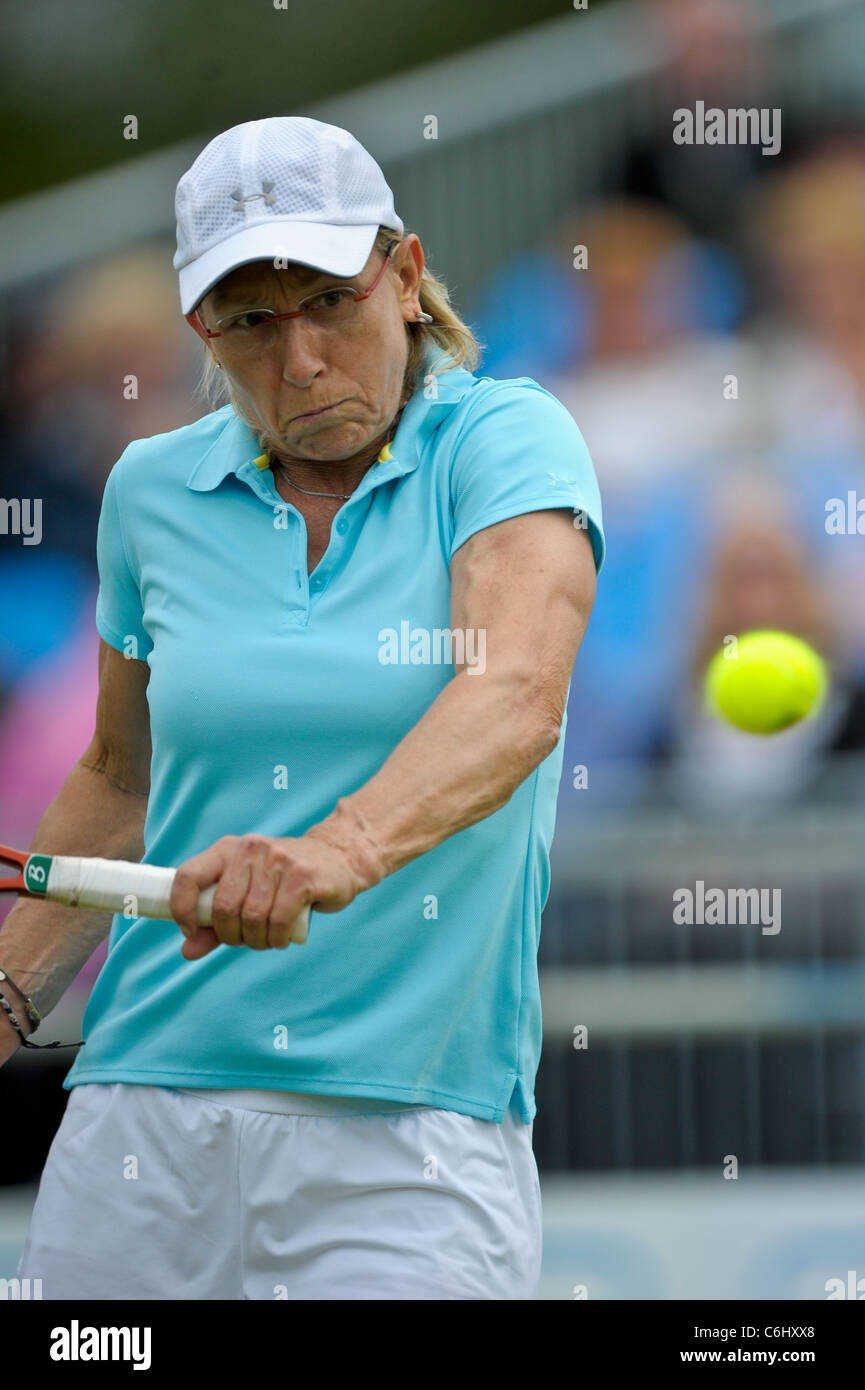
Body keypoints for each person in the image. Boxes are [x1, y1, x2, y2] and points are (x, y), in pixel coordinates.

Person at [2, 115, 604, 1300]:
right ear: (202, 332)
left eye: (331, 300)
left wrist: (330, 851)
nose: (302, 359)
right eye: (252, 321)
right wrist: (9, 993)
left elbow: (516, 690)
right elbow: (124, 778)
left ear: (409, 276)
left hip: (412, 1142)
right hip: (139, 1114)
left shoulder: (505, 441)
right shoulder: (148, 491)